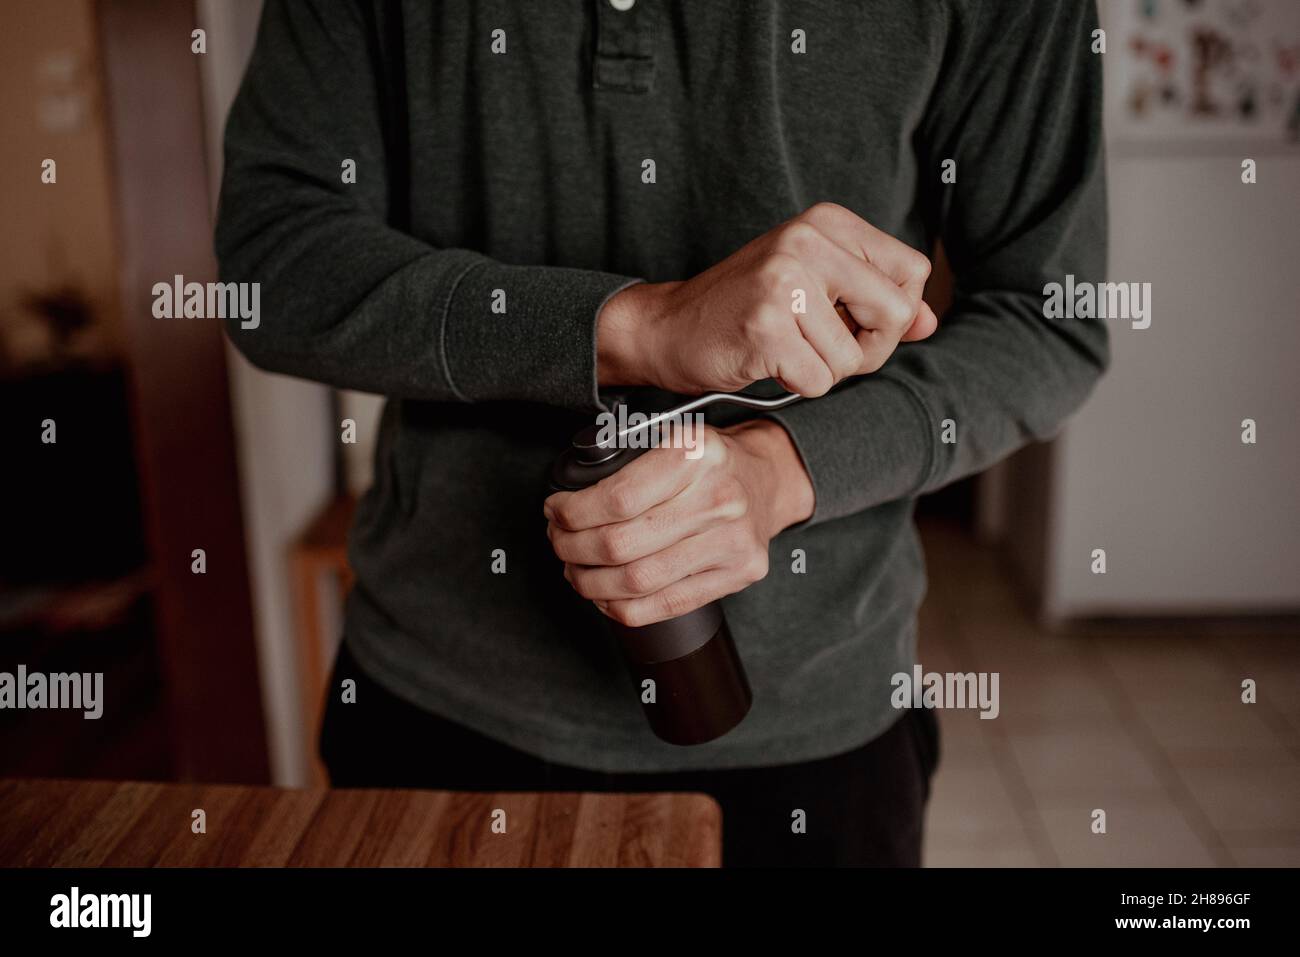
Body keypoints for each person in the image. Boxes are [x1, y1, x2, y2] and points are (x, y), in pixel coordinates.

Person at [216, 0, 1107, 867]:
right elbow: (273, 259)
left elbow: (1049, 319)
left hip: (810, 739)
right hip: (434, 713)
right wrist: (640, 327)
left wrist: (782, 473)